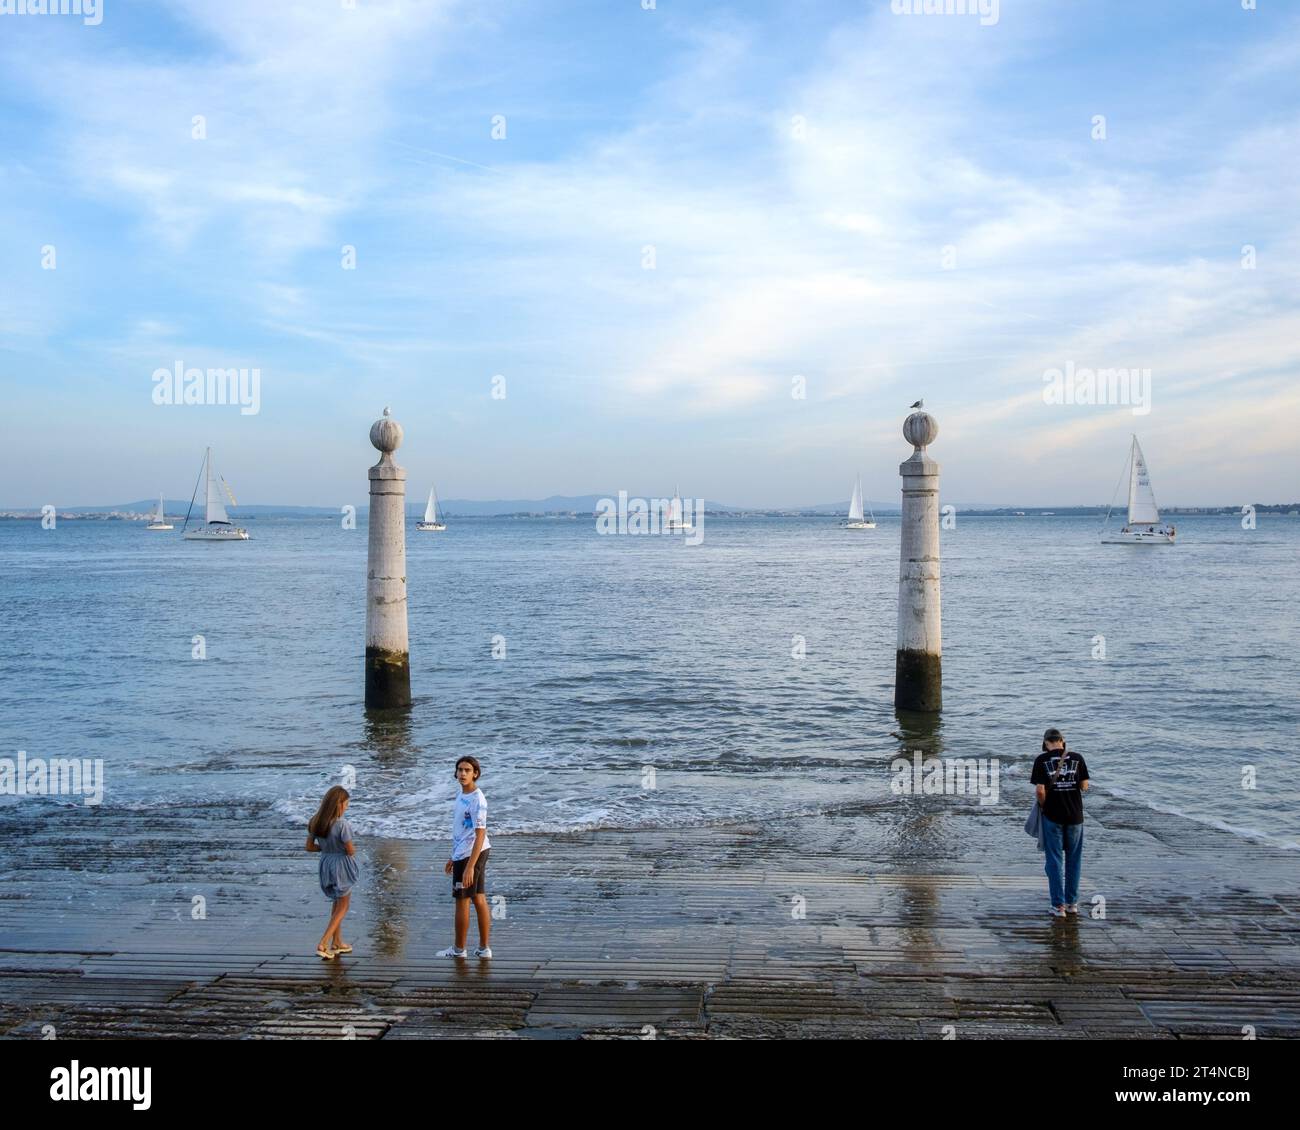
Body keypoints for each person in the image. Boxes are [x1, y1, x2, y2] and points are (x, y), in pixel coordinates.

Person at [1030, 728, 1089, 918]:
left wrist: (1044, 806)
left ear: (1046, 743)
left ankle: (1058, 906)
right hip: (1075, 816)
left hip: (1052, 816)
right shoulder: (1077, 758)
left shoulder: (1041, 760)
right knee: (1074, 860)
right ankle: (1072, 903)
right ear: (1062, 741)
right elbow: (1085, 786)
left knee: (1054, 861)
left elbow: (1040, 791)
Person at [436, 757, 492, 959]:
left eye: (467, 770)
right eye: (459, 769)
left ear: (475, 773)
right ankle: (483, 949)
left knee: (462, 901)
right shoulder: (461, 794)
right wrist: (453, 856)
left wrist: (469, 866)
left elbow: (480, 834)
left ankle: (459, 950)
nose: (462, 773)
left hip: (473, 853)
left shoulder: (478, 799)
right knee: (477, 897)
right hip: (463, 853)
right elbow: (462, 829)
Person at [305, 785, 359, 959]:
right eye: (346, 803)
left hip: (326, 863)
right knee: (343, 905)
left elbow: (309, 847)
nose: (347, 807)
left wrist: (327, 848)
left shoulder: (315, 821)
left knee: (336, 903)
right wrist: (346, 849)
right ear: (339, 804)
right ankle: (323, 942)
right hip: (341, 865)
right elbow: (350, 850)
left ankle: (337, 942)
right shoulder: (343, 825)